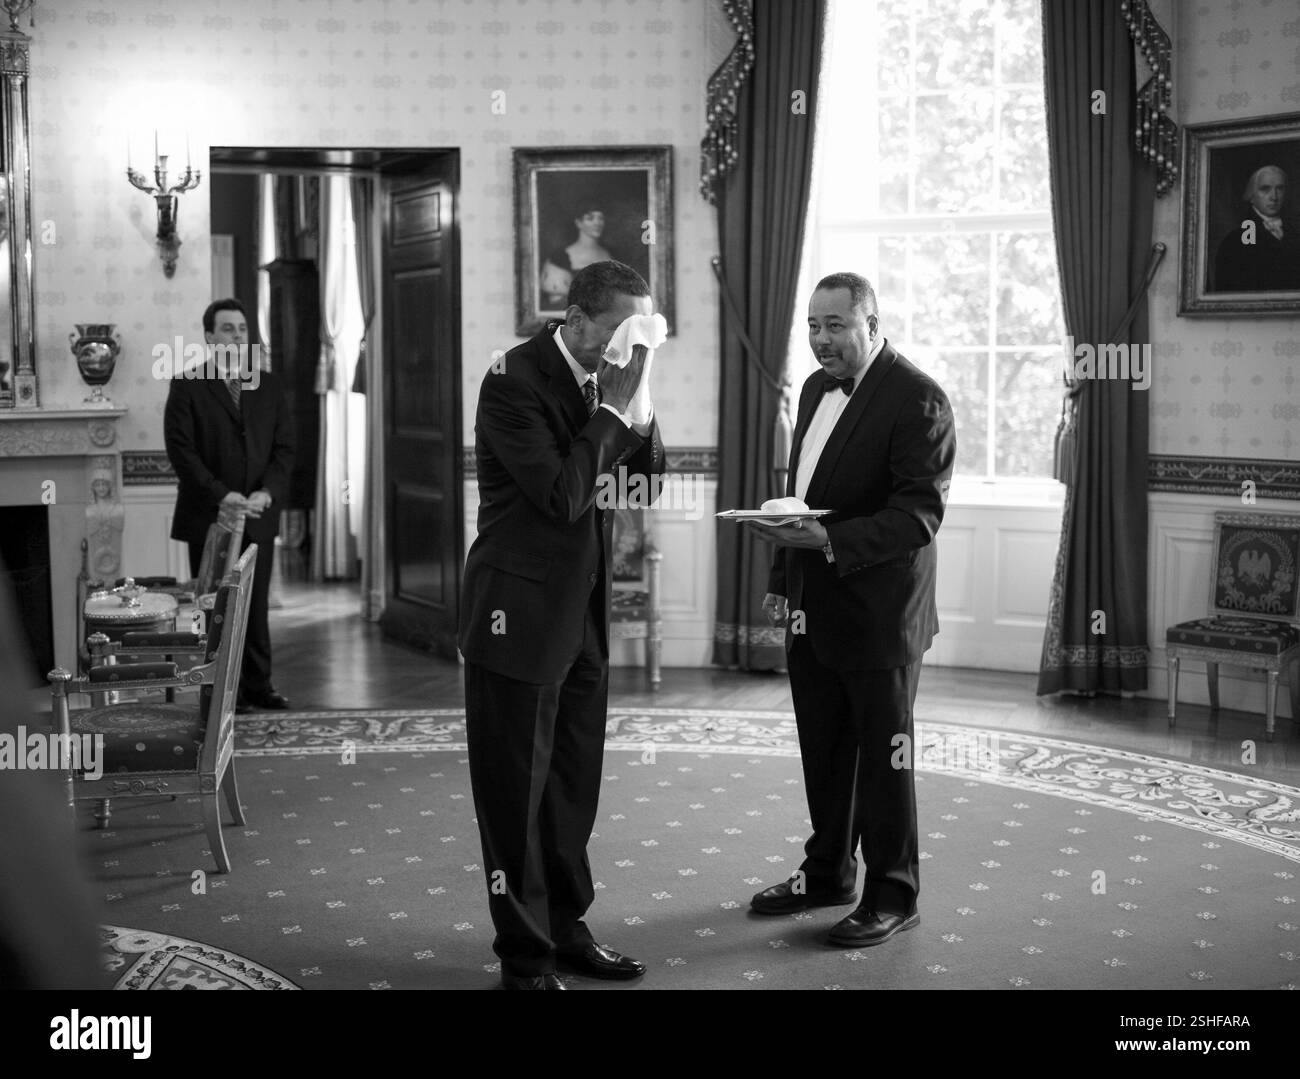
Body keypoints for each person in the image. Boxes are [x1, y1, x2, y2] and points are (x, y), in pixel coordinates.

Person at [459, 260, 667, 989]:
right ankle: (524, 957)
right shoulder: (510, 382)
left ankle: (568, 926)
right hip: (514, 614)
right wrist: (610, 415)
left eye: (639, 336)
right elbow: (561, 495)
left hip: (582, 612)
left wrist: (637, 403)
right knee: (516, 794)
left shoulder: (614, 383)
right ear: (575, 320)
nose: (626, 349)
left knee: (572, 782)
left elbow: (648, 480)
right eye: (617, 333)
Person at [745, 272, 955, 948]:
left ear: (870, 321)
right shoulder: (811, 389)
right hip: (815, 604)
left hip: (882, 614)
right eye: (812, 325)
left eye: (834, 325)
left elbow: (918, 515)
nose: (820, 339)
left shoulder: (918, 397)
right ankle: (827, 871)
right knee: (824, 748)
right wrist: (786, 569)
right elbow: (799, 490)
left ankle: (894, 893)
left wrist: (830, 540)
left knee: (884, 756)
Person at [164, 298, 295, 712]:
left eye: (241, 329)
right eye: (227, 329)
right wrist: (223, 494)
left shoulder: (269, 385)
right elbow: (182, 452)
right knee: (213, 610)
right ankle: (220, 692)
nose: (237, 336)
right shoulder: (187, 385)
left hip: (258, 514)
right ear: (208, 337)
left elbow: (285, 449)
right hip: (209, 517)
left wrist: (266, 493)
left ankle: (259, 687)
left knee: (255, 608)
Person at [1212, 164, 1300, 292]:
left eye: (1280, 189)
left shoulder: (1295, 233)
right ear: (1251, 196)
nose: (1274, 197)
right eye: (1265, 189)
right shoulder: (1235, 241)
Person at [540, 204, 614, 309]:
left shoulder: (608, 254)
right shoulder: (560, 257)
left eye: (600, 218)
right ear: (578, 223)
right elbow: (556, 305)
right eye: (590, 218)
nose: (597, 223)